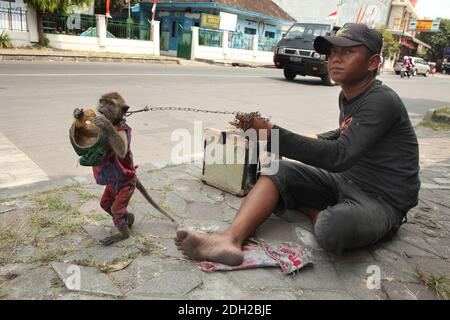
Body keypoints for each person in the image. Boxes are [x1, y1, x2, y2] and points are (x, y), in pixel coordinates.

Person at [175, 23, 420, 265]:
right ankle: (229, 239)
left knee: (331, 229)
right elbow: (346, 131)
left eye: (347, 52)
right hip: (345, 179)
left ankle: (311, 208)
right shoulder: (348, 94)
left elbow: (339, 156)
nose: (335, 59)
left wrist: (271, 136)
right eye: (332, 52)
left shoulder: (382, 101)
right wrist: (319, 137)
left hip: (380, 199)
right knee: (276, 170)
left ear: (373, 62)